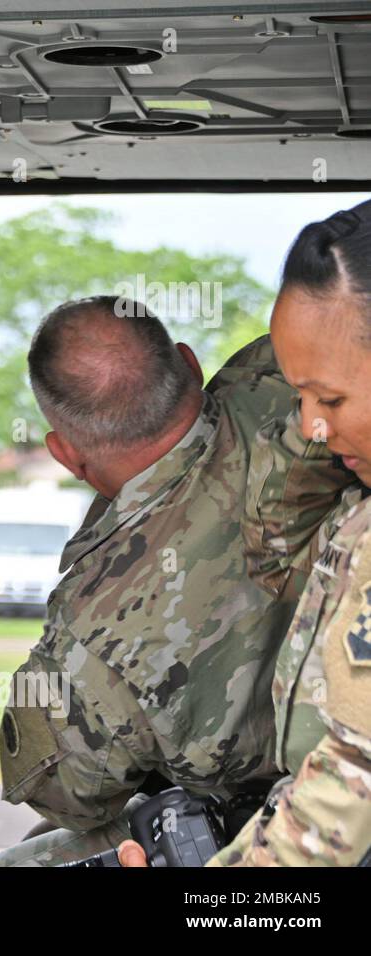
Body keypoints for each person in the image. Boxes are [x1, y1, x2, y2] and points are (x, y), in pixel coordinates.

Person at [0, 295, 351, 867]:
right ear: (190, 362)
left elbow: (67, 798)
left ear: (65, 455)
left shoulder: (93, 628)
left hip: (275, 839)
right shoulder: (288, 374)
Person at [121, 201, 371, 867]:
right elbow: (279, 542)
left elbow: (351, 788)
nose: (312, 427)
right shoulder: (358, 504)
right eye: (298, 398)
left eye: (332, 399)